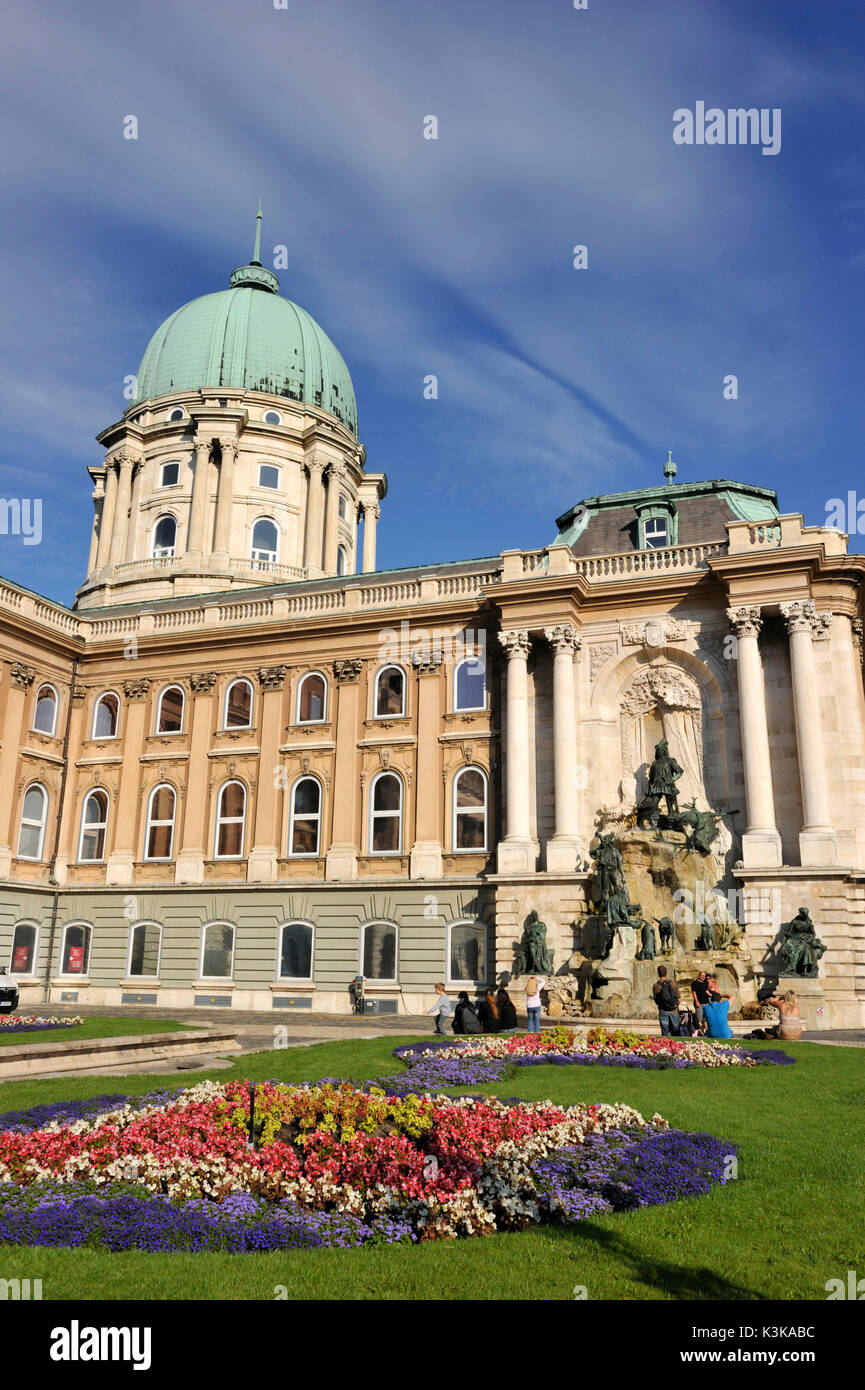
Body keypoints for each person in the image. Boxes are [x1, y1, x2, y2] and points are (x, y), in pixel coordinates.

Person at [652, 965, 680, 1037]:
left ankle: (665, 1046)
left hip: (663, 1010)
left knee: (665, 1032)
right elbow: (679, 999)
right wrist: (675, 1006)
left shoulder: (656, 986)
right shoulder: (673, 983)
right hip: (674, 1009)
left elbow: (656, 1000)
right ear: (666, 972)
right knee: (676, 1031)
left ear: (658, 973)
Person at [692, 970, 711, 1034]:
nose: (703, 977)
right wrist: (696, 1001)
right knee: (699, 1018)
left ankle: (707, 1030)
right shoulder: (694, 983)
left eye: (704, 976)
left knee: (705, 1018)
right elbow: (694, 993)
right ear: (699, 975)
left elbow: (707, 991)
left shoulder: (705, 983)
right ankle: (700, 1031)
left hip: (706, 1002)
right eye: (701, 975)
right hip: (699, 1003)